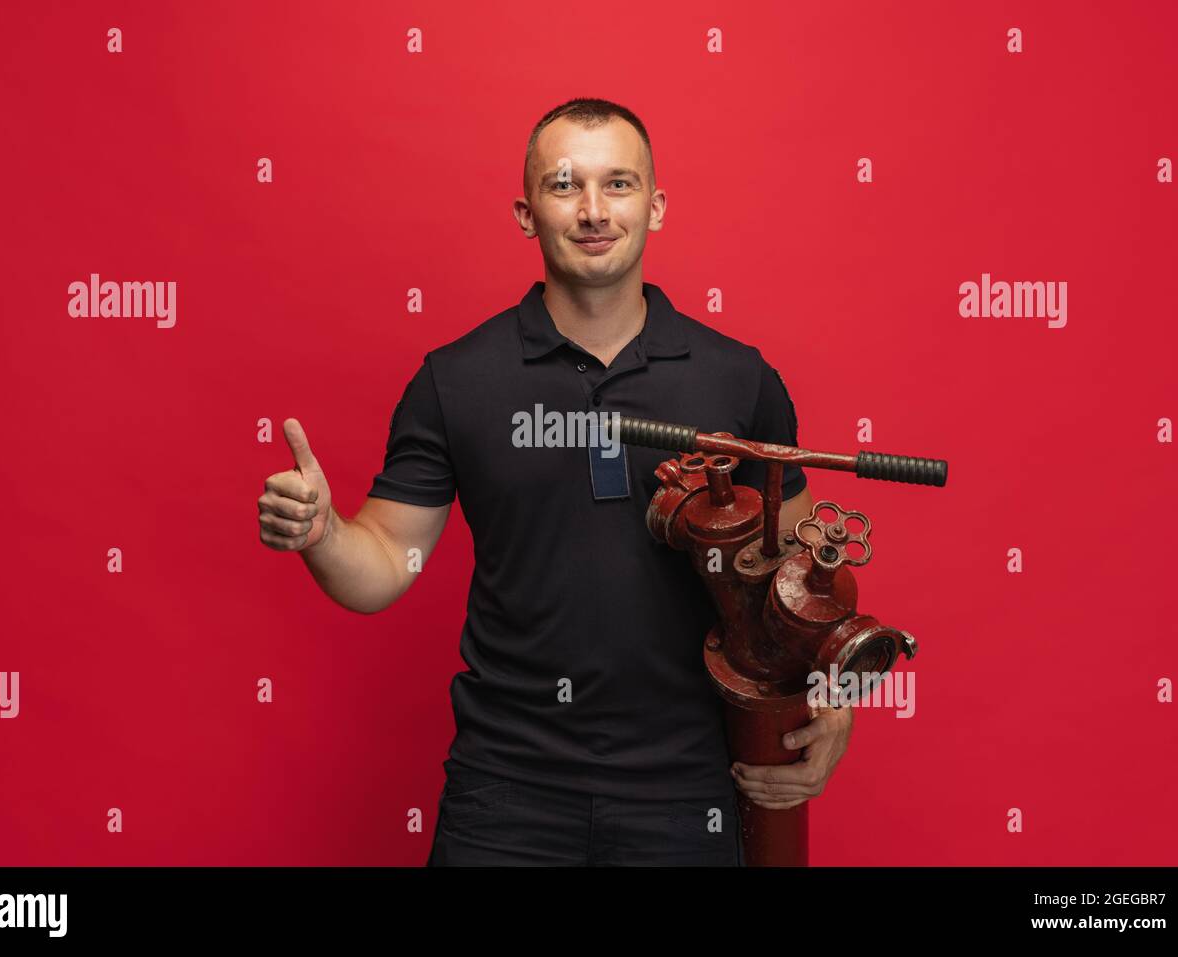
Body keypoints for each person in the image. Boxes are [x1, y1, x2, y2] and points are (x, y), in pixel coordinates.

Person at [257, 98, 853, 866]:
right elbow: (380, 564)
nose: (594, 210)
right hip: (506, 790)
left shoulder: (738, 380)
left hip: (686, 787)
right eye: (566, 185)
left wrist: (833, 699)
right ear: (525, 210)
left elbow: (802, 578)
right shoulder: (457, 381)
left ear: (656, 206)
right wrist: (324, 532)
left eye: (620, 185)